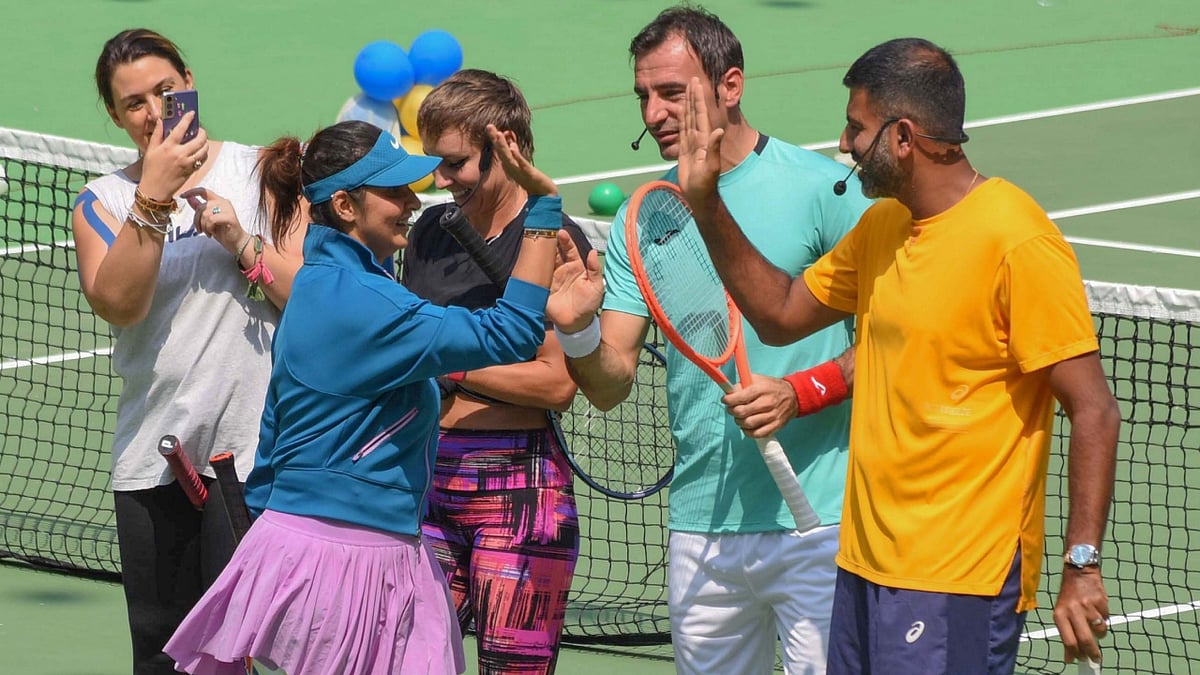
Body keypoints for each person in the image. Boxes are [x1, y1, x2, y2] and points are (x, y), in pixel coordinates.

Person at [673, 37, 1120, 673]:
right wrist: (707, 200)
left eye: (857, 127)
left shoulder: (1016, 239)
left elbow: (1095, 409)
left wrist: (1082, 566)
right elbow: (779, 315)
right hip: (861, 566)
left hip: (957, 574)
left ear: (903, 136)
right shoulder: (881, 229)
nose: (846, 143)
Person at [163, 119, 570, 675]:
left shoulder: (313, 286)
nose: (411, 202)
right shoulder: (371, 302)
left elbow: (276, 425)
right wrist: (543, 211)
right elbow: (512, 333)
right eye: (393, 191)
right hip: (351, 561)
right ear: (347, 207)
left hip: (318, 545)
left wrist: (261, 541)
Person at [545, 6, 871, 673]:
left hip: (824, 520)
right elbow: (609, 385)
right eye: (644, 96)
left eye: (672, 92)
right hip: (702, 532)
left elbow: (900, 340)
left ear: (730, 86)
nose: (655, 112)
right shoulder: (649, 216)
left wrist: (802, 392)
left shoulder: (825, 192)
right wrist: (575, 330)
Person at [70, 28, 303, 674]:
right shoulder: (103, 201)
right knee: (165, 660)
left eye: (164, 91)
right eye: (134, 103)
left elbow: (311, 298)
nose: (152, 113)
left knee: (277, 653)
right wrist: (154, 194)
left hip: (262, 462)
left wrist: (240, 241)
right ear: (116, 116)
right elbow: (120, 302)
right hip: (156, 464)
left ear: (189, 81)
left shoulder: (264, 173)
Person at [401, 69, 594, 675]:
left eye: (454, 163)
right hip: (426, 478)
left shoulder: (554, 240)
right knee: (399, 660)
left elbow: (555, 384)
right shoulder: (430, 232)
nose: (441, 179)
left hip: (519, 491)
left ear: (504, 143)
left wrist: (448, 366)